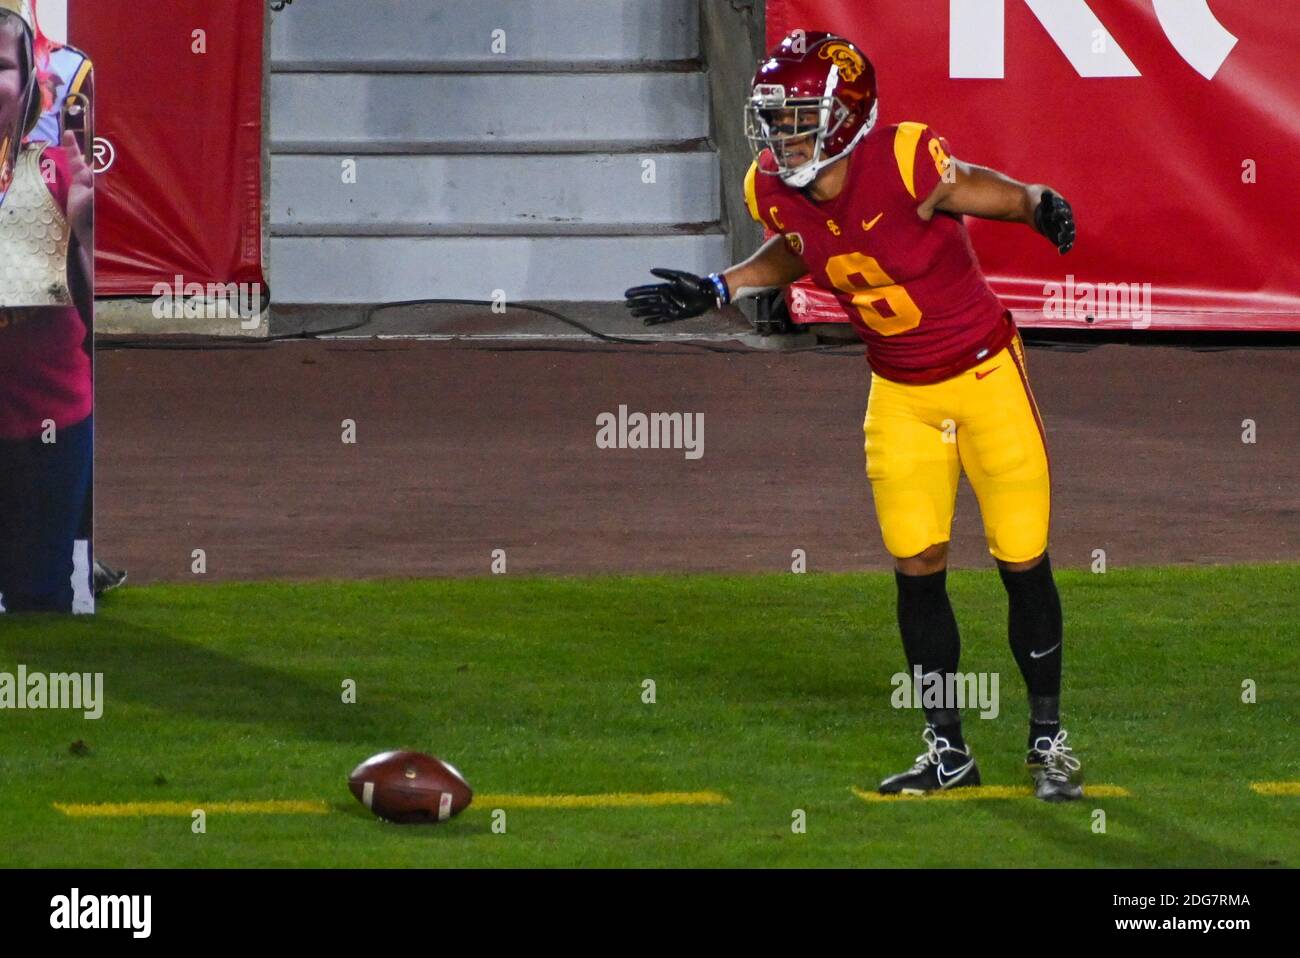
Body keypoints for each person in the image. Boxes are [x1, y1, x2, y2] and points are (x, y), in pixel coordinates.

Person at [624, 32, 1083, 800]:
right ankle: (948, 752)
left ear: (845, 117)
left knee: (1022, 560)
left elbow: (989, 190)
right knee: (917, 568)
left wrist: (1039, 204)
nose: (782, 134)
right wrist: (722, 285)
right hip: (899, 391)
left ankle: (1049, 741)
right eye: (775, 117)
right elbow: (800, 246)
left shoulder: (906, 158)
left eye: (799, 116)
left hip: (983, 378)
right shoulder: (767, 187)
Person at [0, 0, 95, 613]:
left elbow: (92, 314)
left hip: (46, 428)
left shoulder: (64, 173)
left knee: (39, 607)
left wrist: (84, 235)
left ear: (26, 82)